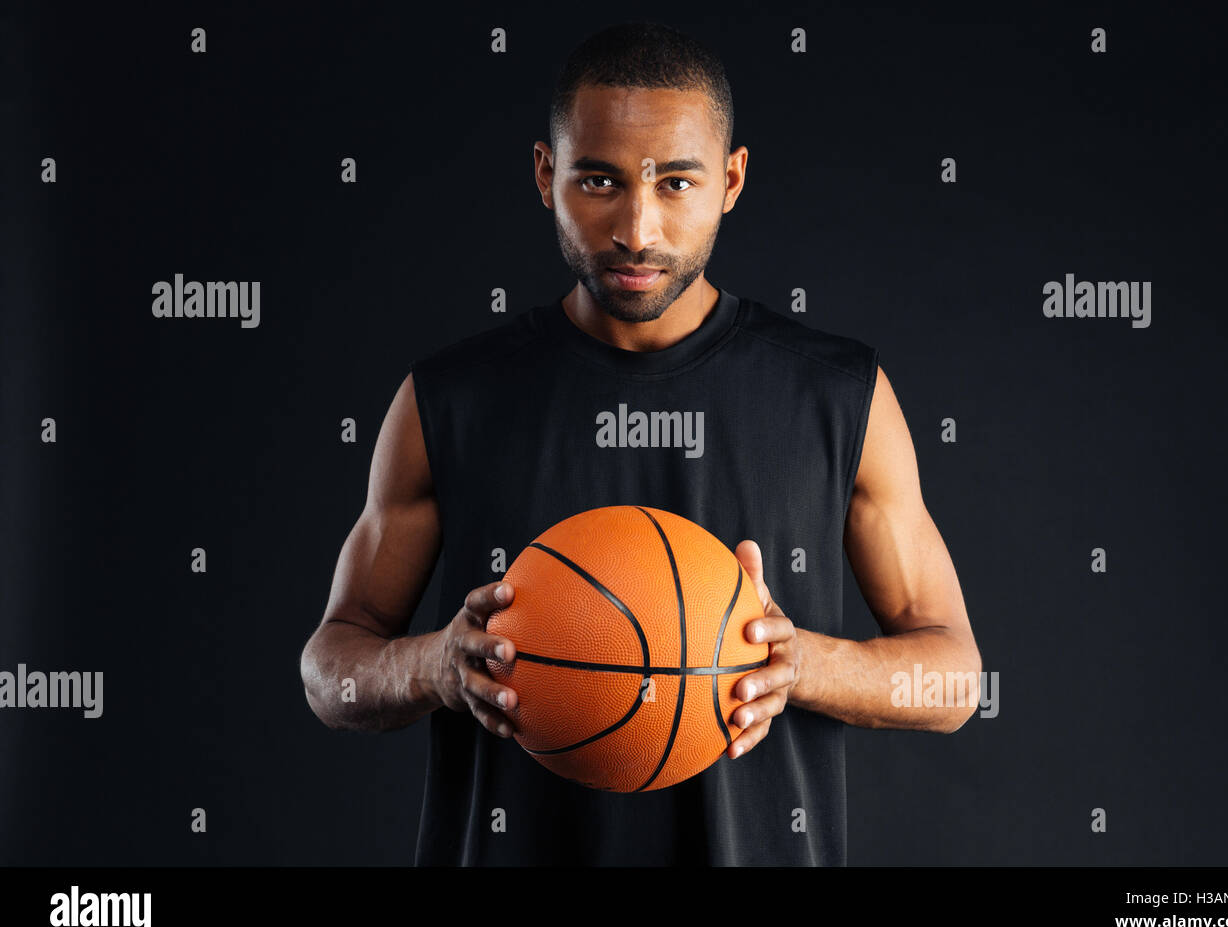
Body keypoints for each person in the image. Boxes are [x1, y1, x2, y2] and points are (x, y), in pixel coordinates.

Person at [299, 20, 981, 866]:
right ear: (546, 175)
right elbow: (330, 668)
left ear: (731, 181)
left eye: (677, 184)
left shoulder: (837, 393)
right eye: (599, 181)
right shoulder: (451, 398)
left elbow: (954, 678)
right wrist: (436, 667)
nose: (637, 229)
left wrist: (799, 666)